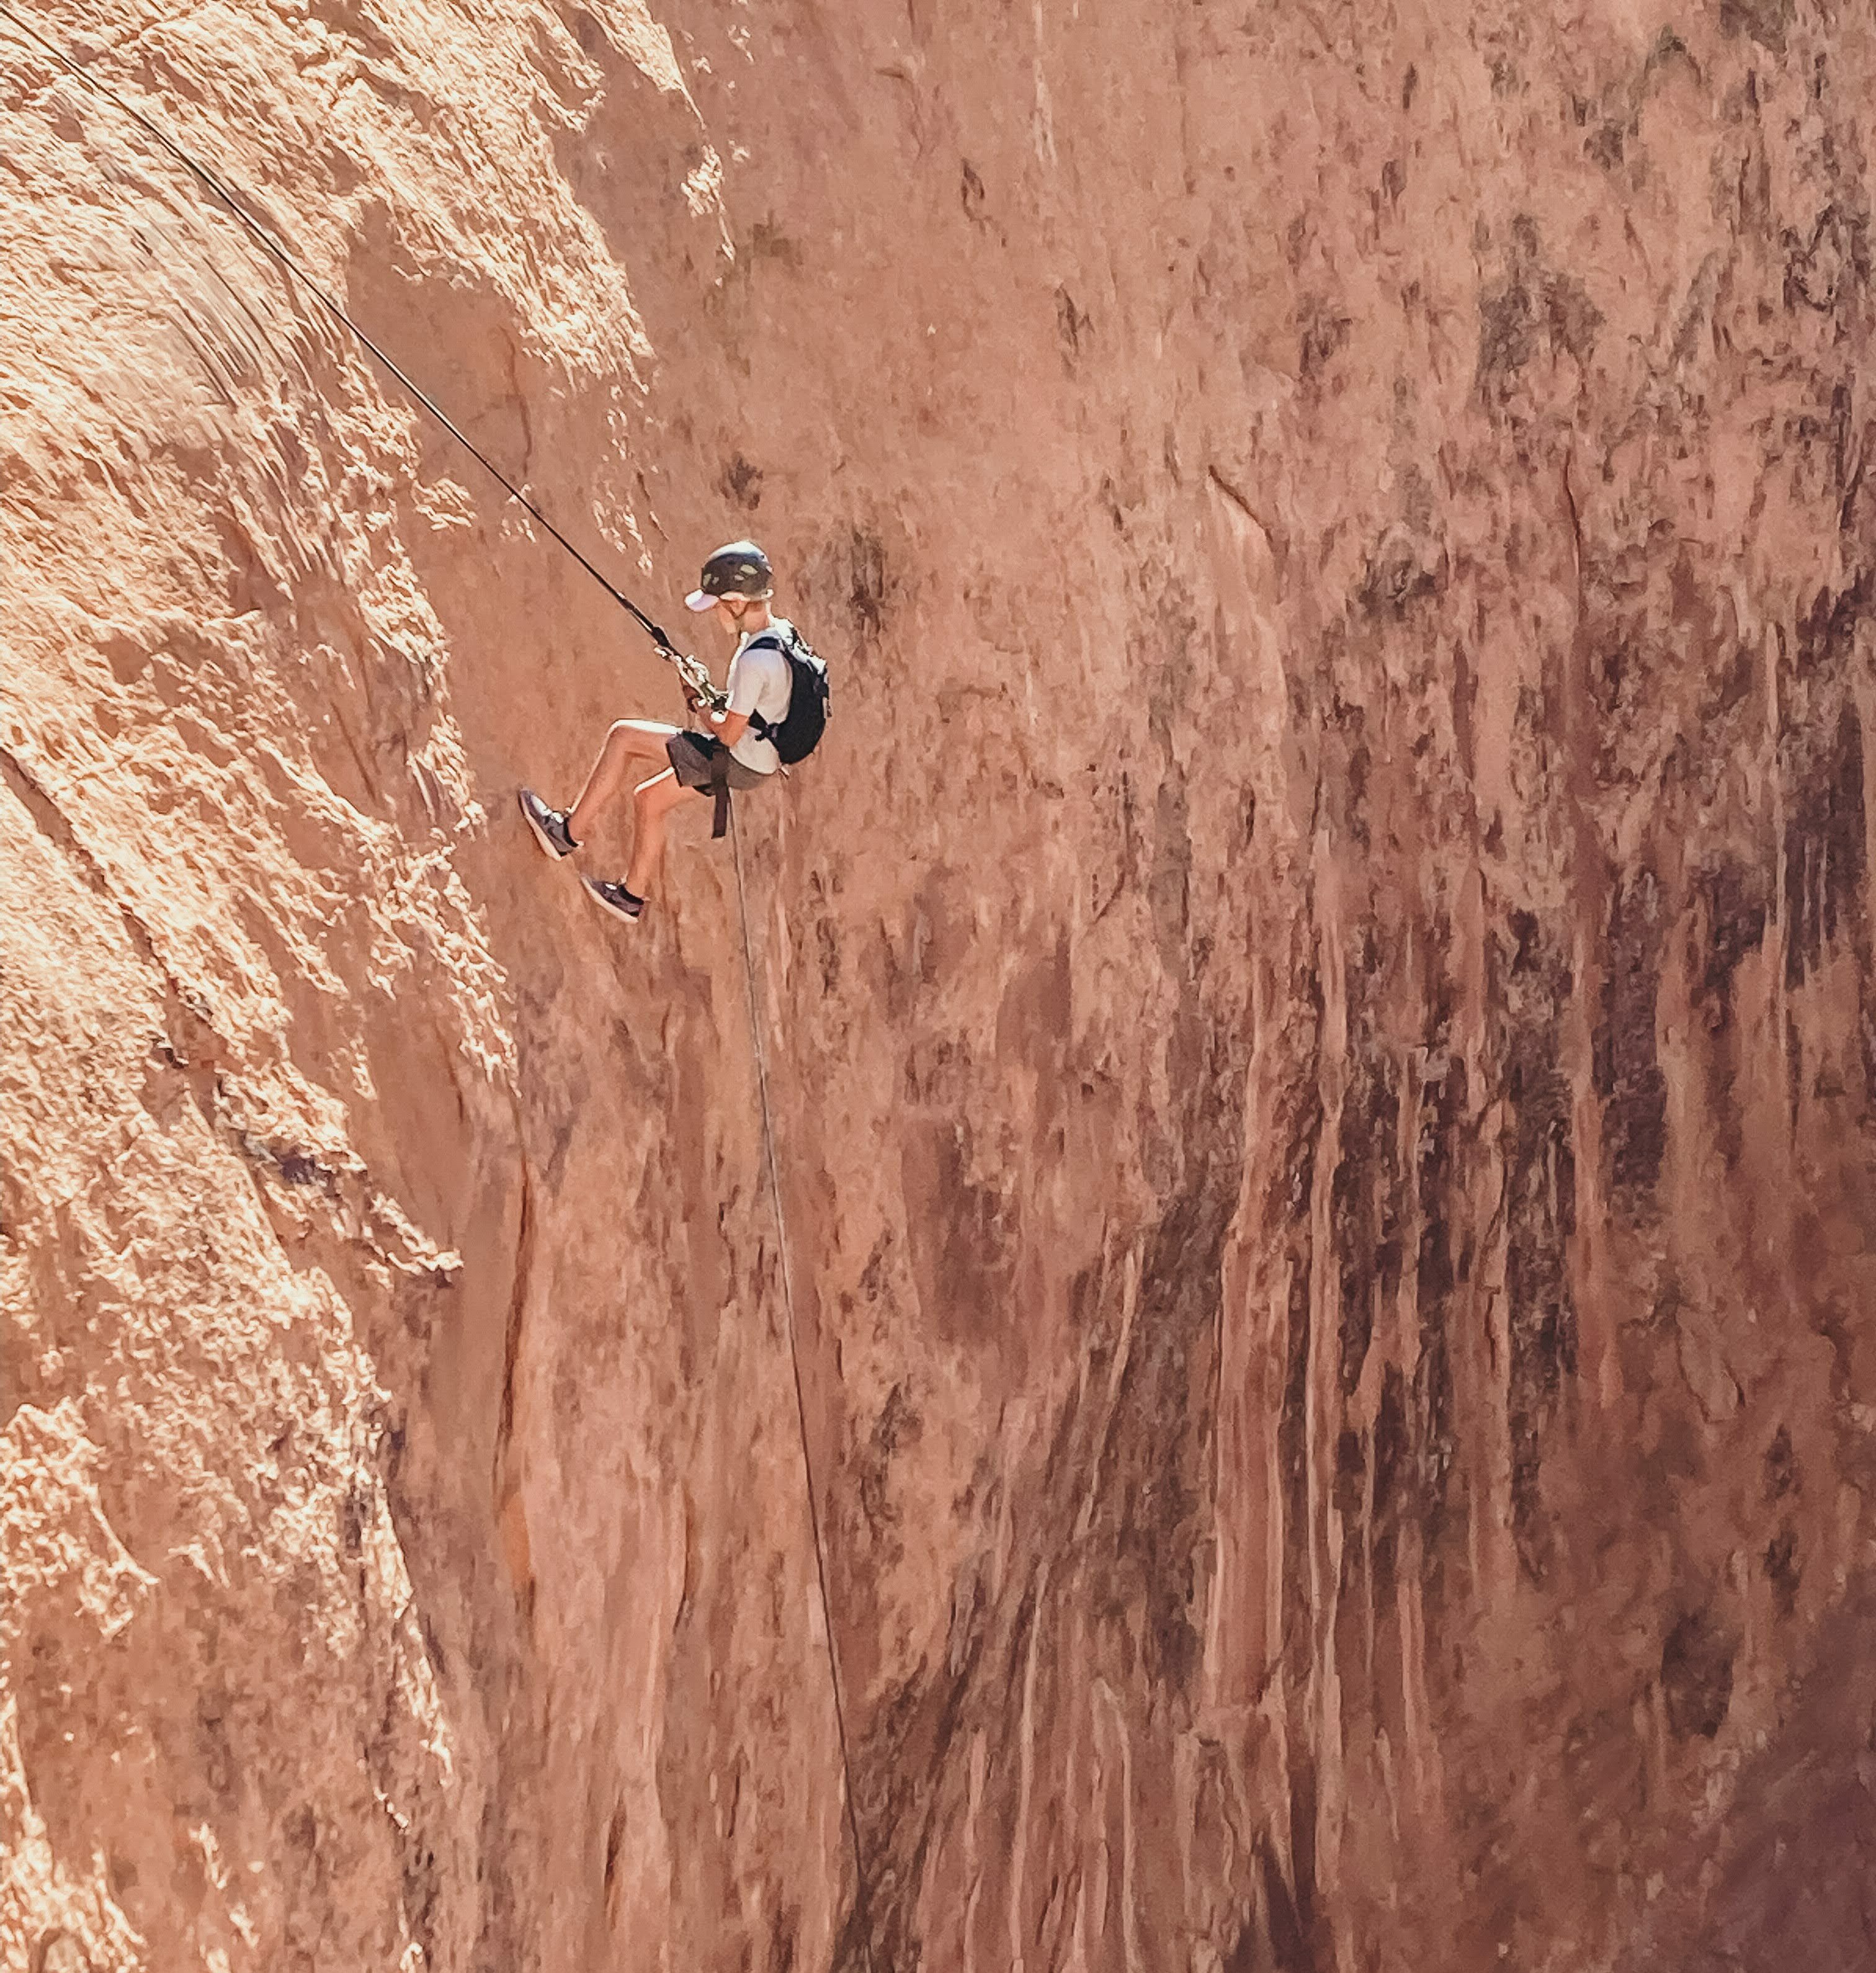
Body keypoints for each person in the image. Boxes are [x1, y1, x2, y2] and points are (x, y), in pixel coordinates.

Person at [517, 541, 794, 924]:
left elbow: (728, 735)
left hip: (734, 758)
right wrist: (704, 690)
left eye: (716, 605)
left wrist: (698, 704)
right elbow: (759, 708)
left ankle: (565, 834)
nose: (715, 613)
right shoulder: (782, 637)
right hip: (758, 762)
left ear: (735, 601)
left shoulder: (754, 660)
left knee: (624, 737)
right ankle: (631, 897)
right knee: (649, 800)